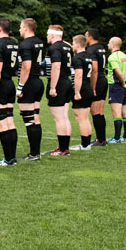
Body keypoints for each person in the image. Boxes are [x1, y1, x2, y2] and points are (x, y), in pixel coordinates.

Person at [0, 18, 21, 166]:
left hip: (1, 85)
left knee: (2, 124)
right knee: (10, 122)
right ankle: (11, 158)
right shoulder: (14, 44)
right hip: (10, 83)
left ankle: (8, 159)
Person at [15, 18, 45, 161]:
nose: (19, 30)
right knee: (35, 118)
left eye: (21, 27)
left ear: (26, 28)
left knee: (29, 119)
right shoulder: (39, 42)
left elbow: (26, 67)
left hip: (29, 83)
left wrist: (20, 87)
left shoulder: (25, 44)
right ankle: (35, 153)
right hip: (38, 81)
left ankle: (34, 154)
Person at [45, 25, 74, 156]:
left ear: (52, 35)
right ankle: (65, 147)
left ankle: (62, 148)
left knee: (59, 118)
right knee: (64, 117)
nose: (47, 37)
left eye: (48, 34)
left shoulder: (54, 48)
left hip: (59, 83)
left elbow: (56, 67)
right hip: (67, 82)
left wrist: (52, 87)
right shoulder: (67, 47)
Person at [106, 37, 126, 143]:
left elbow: (117, 71)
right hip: (124, 86)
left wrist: (123, 84)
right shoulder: (124, 56)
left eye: (109, 42)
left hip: (116, 86)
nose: (107, 44)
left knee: (116, 113)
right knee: (125, 113)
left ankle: (117, 138)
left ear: (113, 44)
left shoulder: (112, 57)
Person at [70, 35, 95, 151]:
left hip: (82, 89)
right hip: (88, 87)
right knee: (85, 118)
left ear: (78, 44)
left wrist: (76, 92)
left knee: (81, 118)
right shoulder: (88, 57)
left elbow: (78, 76)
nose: (72, 46)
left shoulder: (77, 58)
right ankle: (87, 143)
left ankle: (84, 145)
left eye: (73, 43)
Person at [85, 28, 109, 146]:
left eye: (86, 36)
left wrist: (93, 87)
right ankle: (102, 138)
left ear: (90, 36)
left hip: (97, 80)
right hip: (103, 79)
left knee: (95, 111)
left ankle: (100, 139)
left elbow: (94, 70)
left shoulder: (91, 50)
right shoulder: (101, 48)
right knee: (100, 111)